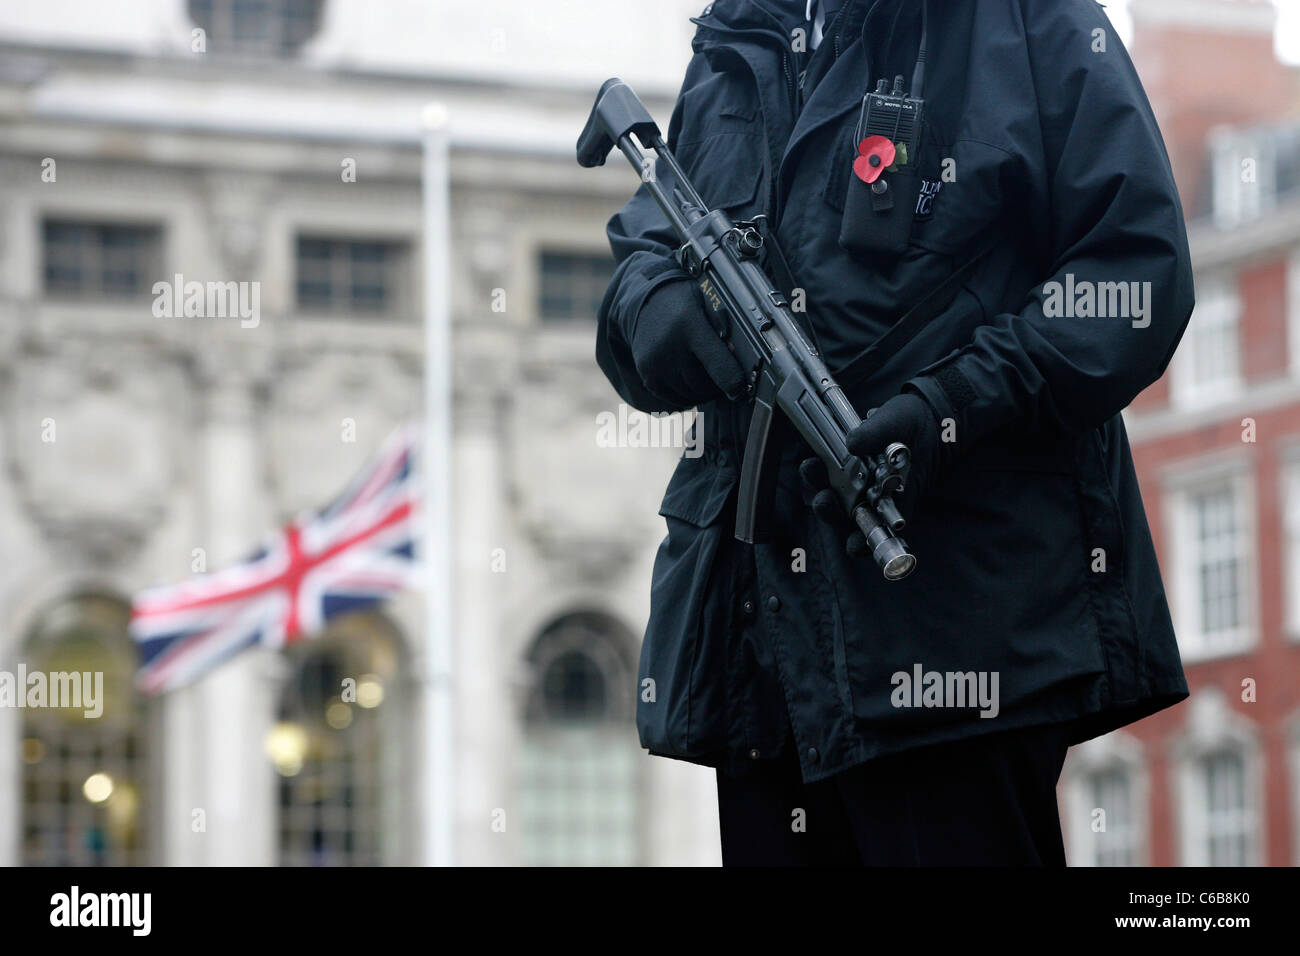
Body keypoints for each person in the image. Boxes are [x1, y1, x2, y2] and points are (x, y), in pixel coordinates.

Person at [594, 0, 1194, 865]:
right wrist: (651, 308)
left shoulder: (1026, 19)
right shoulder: (736, 40)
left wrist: (953, 407)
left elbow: (1136, 274)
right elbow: (647, 247)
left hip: (958, 636)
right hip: (764, 667)